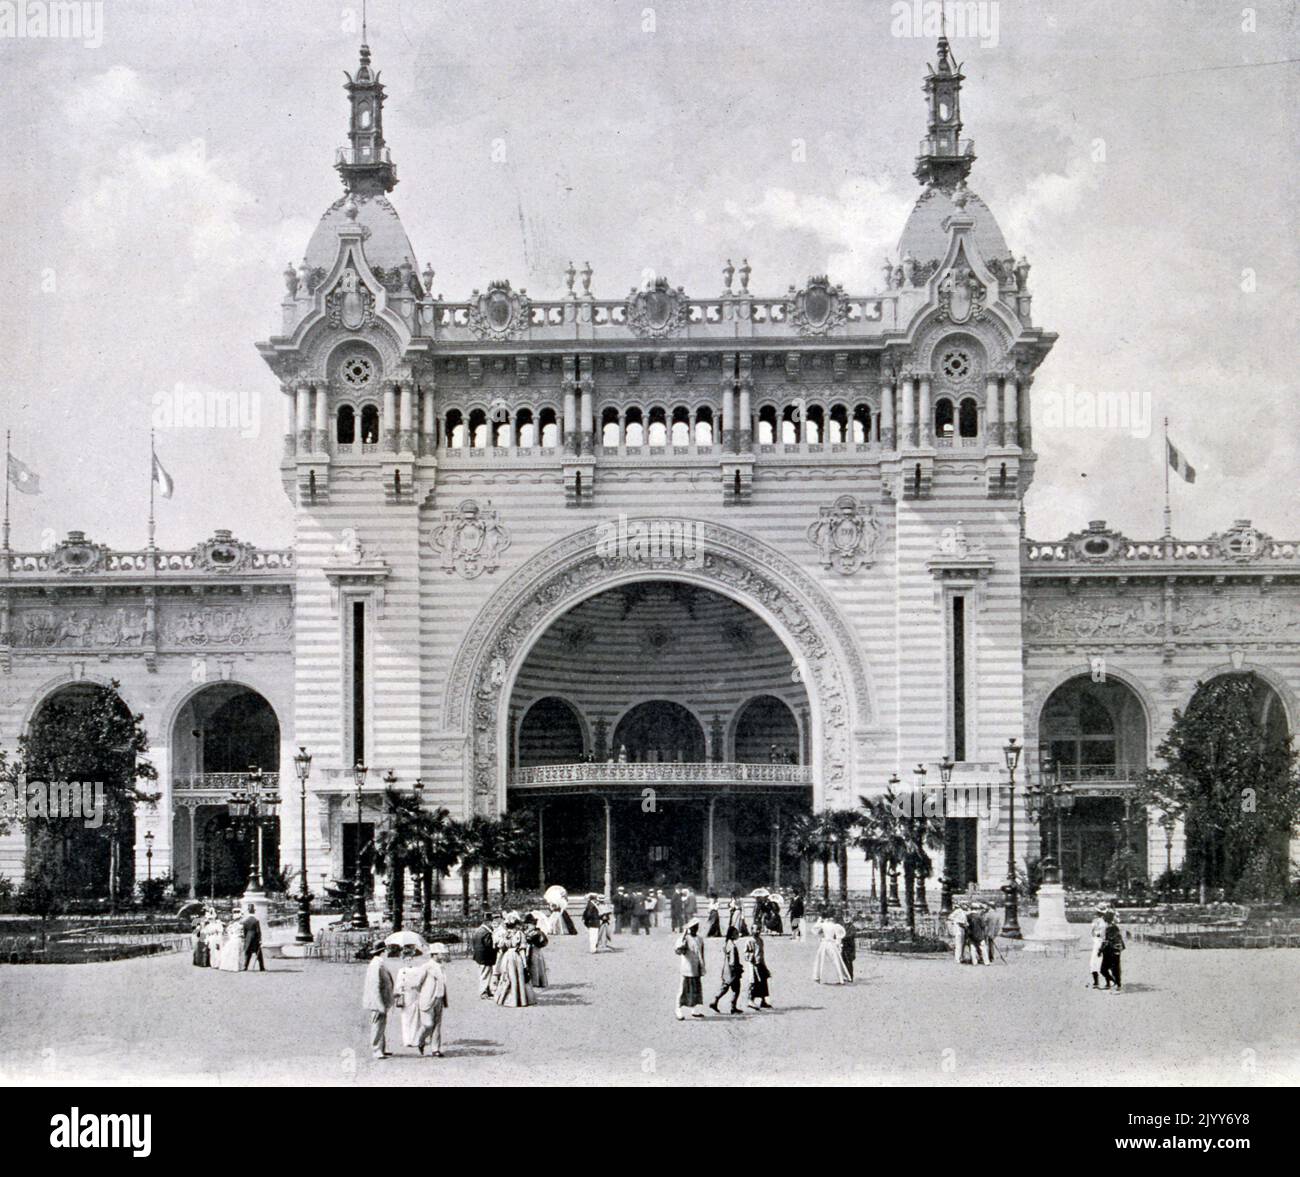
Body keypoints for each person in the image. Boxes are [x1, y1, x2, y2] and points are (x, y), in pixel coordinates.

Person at [494, 914, 536, 1007]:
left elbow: (501, 948)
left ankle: (505, 999)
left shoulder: (505, 934)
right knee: (518, 977)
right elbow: (522, 950)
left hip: (507, 956)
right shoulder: (519, 934)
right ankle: (520, 999)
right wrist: (525, 964)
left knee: (507, 977)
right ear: (516, 924)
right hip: (516, 957)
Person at [416, 943, 451, 1056]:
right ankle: (420, 1040)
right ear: (435, 954)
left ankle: (435, 1049)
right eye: (442, 953)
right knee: (428, 1024)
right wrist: (424, 994)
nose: (444, 955)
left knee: (437, 1024)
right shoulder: (426, 966)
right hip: (427, 999)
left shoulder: (441, 966)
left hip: (439, 998)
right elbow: (417, 983)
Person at [361, 944, 394, 1061]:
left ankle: (381, 1048)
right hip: (377, 1001)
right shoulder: (376, 965)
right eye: (386, 950)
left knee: (381, 1024)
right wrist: (379, 1004)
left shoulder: (379, 963)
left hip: (381, 999)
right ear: (382, 951)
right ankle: (376, 1050)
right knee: (377, 1024)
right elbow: (375, 986)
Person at [674, 915, 707, 1020]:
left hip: (696, 968)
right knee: (683, 989)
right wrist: (684, 935)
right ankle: (678, 1009)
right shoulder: (685, 939)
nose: (695, 928)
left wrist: (702, 967)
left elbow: (701, 954)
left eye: (696, 926)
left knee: (695, 989)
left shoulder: (700, 939)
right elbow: (678, 950)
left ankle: (694, 1009)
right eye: (693, 927)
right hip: (687, 968)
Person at [395, 946, 426, 1048]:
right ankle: (407, 1040)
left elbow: (420, 982)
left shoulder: (418, 970)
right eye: (406, 959)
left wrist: (417, 986)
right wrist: (400, 991)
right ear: (403, 960)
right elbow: (398, 984)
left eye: (410, 959)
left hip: (415, 994)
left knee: (416, 1017)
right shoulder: (401, 971)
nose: (409, 961)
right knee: (406, 1017)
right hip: (406, 995)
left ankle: (415, 1039)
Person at [709, 926, 744, 1014]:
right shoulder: (732, 946)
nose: (737, 935)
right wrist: (738, 969)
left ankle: (715, 1001)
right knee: (736, 989)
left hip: (726, 969)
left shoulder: (727, 943)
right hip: (732, 971)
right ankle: (733, 1007)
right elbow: (732, 961)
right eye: (736, 933)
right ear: (732, 935)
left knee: (724, 987)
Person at [811, 913, 851, 984]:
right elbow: (840, 935)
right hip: (831, 943)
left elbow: (814, 929)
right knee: (834, 960)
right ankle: (837, 977)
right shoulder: (835, 926)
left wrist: (819, 920)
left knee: (822, 959)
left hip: (824, 943)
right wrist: (838, 944)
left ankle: (820, 976)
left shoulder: (823, 924)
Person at [743, 925, 772, 1010]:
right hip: (753, 964)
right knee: (754, 982)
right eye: (756, 930)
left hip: (761, 963)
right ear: (752, 930)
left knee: (763, 981)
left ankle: (763, 1001)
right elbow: (745, 953)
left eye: (759, 929)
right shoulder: (749, 941)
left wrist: (765, 966)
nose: (758, 931)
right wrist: (750, 956)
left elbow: (762, 954)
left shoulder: (760, 940)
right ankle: (750, 1000)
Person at [470, 912, 497, 998]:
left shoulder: (478, 930)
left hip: (479, 957)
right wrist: (496, 947)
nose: (492, 924)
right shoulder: (486, 932)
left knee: (484, 973)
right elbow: (489, 946)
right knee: (485, 974)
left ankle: (486, 990)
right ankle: (483, 992)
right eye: (491, 922)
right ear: (488, 922)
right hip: (486, 957)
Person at [1100, 909, 1125, 992]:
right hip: (1111, 950)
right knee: (1107, 969)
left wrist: (1100, 950)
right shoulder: (1111, 927)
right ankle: (1115, 983)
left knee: (1111, 969)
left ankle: (1117, 985)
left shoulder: (1111, 927)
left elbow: (1108, 940)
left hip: (1112, 951)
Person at [523, 914, 549, 988]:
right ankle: (532, 980)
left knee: (536, 965)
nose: (528, 926)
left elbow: (543, 941)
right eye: (527, 924)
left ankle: (536, 981)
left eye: (530, 925)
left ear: (534, 925)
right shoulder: (527, 932)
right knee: (530, 964)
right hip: (529, 949)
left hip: (535, 950)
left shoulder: (537, 932)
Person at [240, 903, 265, 972]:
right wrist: (260, 939)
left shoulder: (245, 921)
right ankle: (261, 967)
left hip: (248, 938)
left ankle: (245, 966)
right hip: (255, 938)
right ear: (254, 911)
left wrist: (245, 938)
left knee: (248, 953)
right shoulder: (256, 920)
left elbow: (244, 931)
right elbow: (258, 931)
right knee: (259, 954)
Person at [1089, 906, 1107, 989]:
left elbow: (1098, 934)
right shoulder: (1100, 921)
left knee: (1095, 962)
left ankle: (1098, 982)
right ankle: (1099, 982)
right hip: (1098, 942)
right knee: (1097, 962)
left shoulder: (1101, 922)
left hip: (1099, 943)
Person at [840, 916, 857, 981]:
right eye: (845, 918)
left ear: (850, 919)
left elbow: (851, 935)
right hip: (843, 946)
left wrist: (843, 937)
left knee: (849, 962)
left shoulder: (852, 927)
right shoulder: (842, 927)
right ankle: (845, 976)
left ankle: (850, 976)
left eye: (848, 918)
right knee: (843, 961)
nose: (846, 919)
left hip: (850, 947)